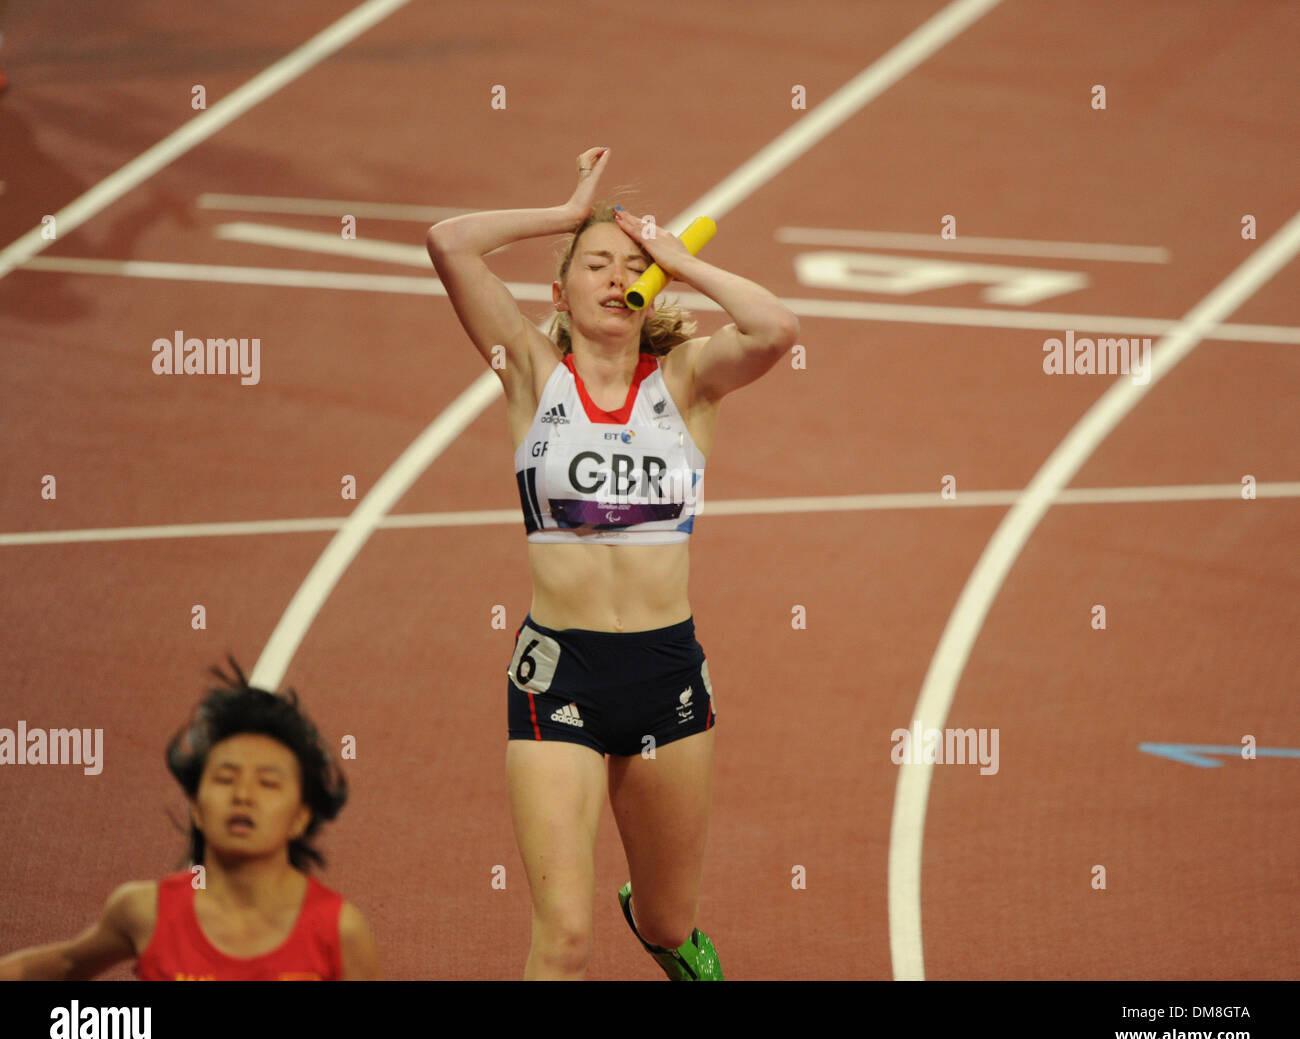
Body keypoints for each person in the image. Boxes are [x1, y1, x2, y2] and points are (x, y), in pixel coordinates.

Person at [426, 147, 799, 980]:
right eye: (593, 264)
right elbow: (449, 242)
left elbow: (776, 331)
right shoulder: (529, 373)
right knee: (562, 939)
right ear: (558, 292)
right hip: (560, 672)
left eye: (630, 265)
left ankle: (664, 930)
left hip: (665, 667)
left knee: (670, 922)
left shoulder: (688, 382)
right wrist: (566, 217)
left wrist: (684, 263)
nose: (612, 276)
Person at [0, 658, 380, 981]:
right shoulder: (144, 912)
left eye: (268, 783)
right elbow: (66, 963)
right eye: (225, 778)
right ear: (197, 807)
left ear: (299, 818)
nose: (243, 795)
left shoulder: (340, 934)